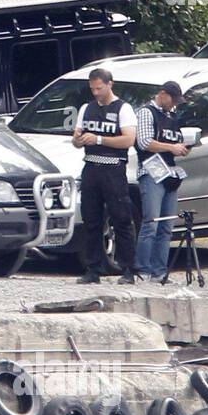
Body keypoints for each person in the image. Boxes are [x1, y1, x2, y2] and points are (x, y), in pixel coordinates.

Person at [72, 67, 138, 285]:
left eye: (99, 88)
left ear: (110, 84)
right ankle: (93, 267)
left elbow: (128, 140)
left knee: (121, 217)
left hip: (113, 168)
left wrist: (99, 139)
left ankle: (128, 267)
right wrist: (79, 140)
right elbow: (76, 138)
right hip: (90, 167)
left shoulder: (123, 109)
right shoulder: (86, 108)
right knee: (91, 218)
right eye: (92, 89)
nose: (96, 93)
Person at [133, 81, 191, 280]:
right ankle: (142, 270)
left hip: (170, 172)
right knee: (151, 222)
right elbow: (144, 142)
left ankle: (159, 272)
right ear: (164, 95)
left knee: (166, 226)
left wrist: (182, 147)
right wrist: (171, 147)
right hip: (151, 171)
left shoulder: (172, 117)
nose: (174, 105)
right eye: (173, 100)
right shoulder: (146, 113)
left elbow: (172, 142)